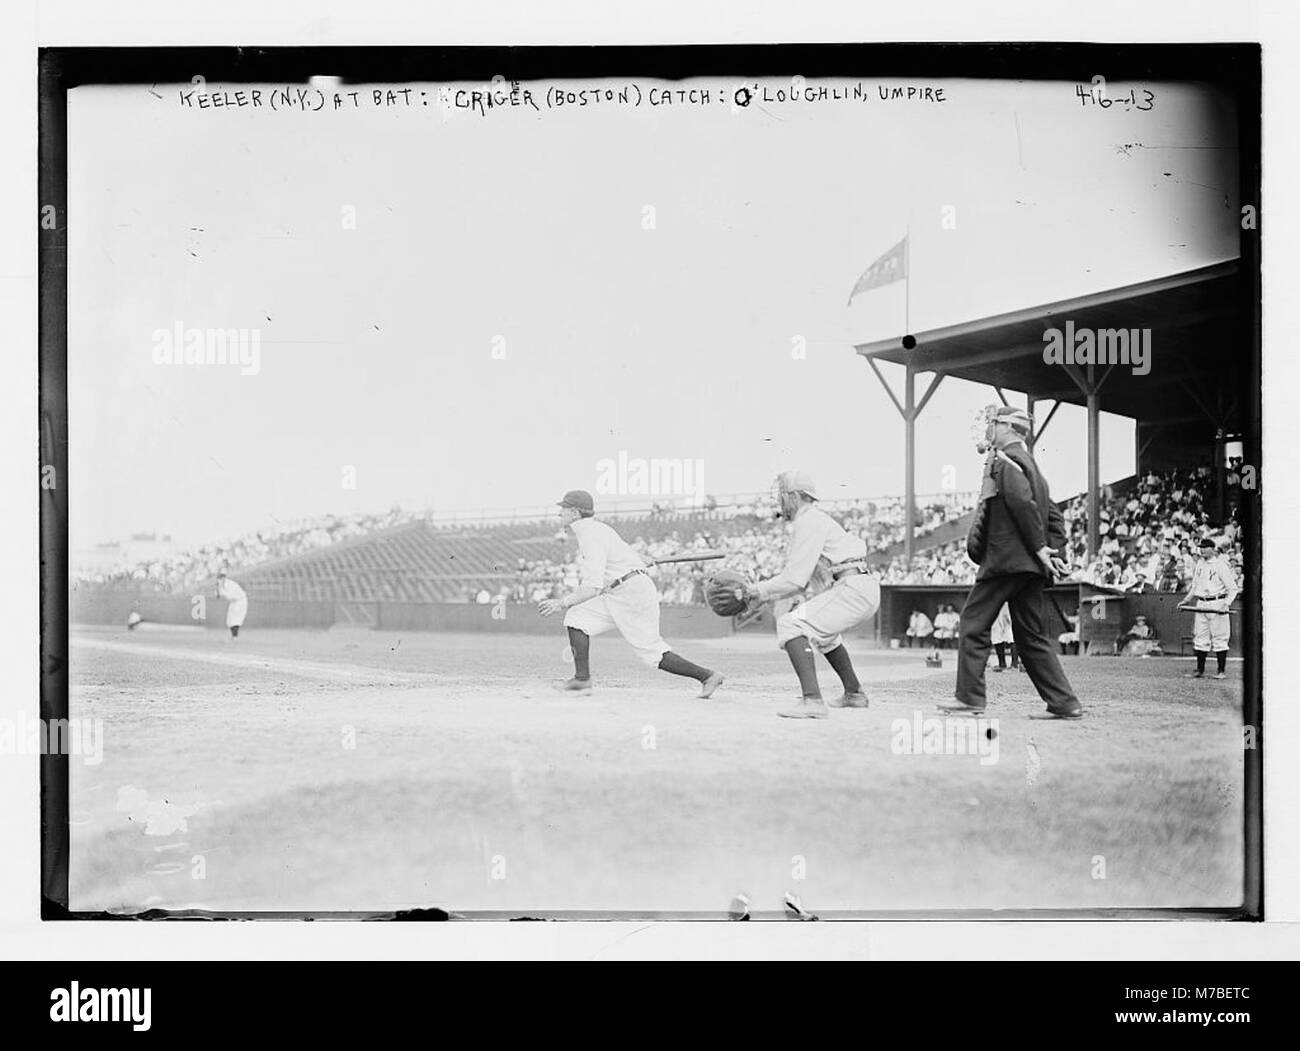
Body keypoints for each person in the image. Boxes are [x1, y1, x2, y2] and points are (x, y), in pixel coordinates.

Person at [940, 406, 1084, 719]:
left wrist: (1039, 547)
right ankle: (1064, 702)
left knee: (973, 624)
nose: (989, 428)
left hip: (1005, 561)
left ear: (1006, 426)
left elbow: (1021, 503)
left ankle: (970, 698)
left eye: (993, 423)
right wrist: (1050, 552)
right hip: (1030, 567)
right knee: (1031, 636)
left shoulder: (1003, 458)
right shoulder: (1031, 464)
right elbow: (1053, 516)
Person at [538, 490, 724, 698]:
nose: (560, 513)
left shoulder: (591, 535)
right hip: (620, 590)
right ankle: (582, 680)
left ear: (574, 512)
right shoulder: (598, 529)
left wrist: (561, 602)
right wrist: (639, 558)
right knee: (577, 618)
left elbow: (592, 587)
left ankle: (707, 676)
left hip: (630, 592)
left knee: (651, 652)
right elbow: (625, 555)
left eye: (563, 509)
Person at [738, 471, 880, 719]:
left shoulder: (809, 520)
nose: (779, 501)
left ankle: (812, 700)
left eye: (782, 495)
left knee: (791, 625)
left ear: (795, 496)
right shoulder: (813, 520)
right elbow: (805, 582)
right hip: (854, 585)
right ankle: (854, 693)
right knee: (824, 636)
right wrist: (767, 596)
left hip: (853, 587)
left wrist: (758, 590)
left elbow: (794, 578)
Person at [1182, 537, 1238, 680]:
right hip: (1201, 603)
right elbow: (1194, 586)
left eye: (1205, 547)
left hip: (1217, 603)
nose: (1202, 550)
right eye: (1200, 547)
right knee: (1200, 637)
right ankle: (1200, 670)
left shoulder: (1220, 565)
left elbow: (1232, 588)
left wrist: (1226, 604)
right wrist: (1186, 600)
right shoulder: (1200, 563)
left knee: (1220, 638)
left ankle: (1221, 671)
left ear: (1212, 549)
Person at [215, 570, 248, 639]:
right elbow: (217, 596)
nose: (220, 579)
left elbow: (229, 597)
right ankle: (233, 636)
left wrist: (220, 590)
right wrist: (218, 588)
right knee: (229, 619)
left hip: (240, 601)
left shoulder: (230, 584)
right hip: (234, 602)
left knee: (236, 619)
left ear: (224, 577)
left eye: (222, 577)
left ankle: (235, 636)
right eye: (219, 577)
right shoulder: (221, 586)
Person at [990, 602, 1017, 672]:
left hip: (997, 601)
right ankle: (1014, 664)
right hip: (1011, 602)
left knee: (997, 631)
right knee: (1011, 631)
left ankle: (1002, 664)